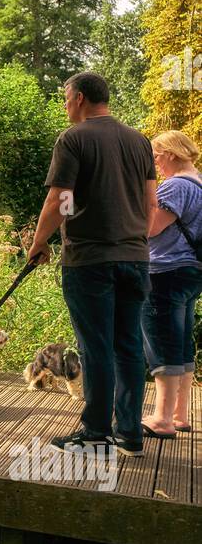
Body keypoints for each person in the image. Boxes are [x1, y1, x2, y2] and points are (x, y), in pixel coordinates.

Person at [27, 71, 157, 457]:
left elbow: (59, 200)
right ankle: (129, 432)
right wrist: (133, 241)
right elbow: (150, 203)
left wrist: (40, 242)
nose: (65, 105)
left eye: (66, 98)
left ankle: (97, 432)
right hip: (135, 259)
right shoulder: (139, 141)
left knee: (96, 347)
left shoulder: (74, 138)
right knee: (129, 346)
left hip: (90, 260)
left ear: (79, 98)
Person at [140, 131, 202, 437]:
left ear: (172, 154)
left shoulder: (177, 185)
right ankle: (180, 414)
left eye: (156, 156)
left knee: (162, 341)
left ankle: (162, 419)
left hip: (165, 270)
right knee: (180, 341)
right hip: (192, 271)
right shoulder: (200, 183)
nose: (155, 163)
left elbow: (150, 227)